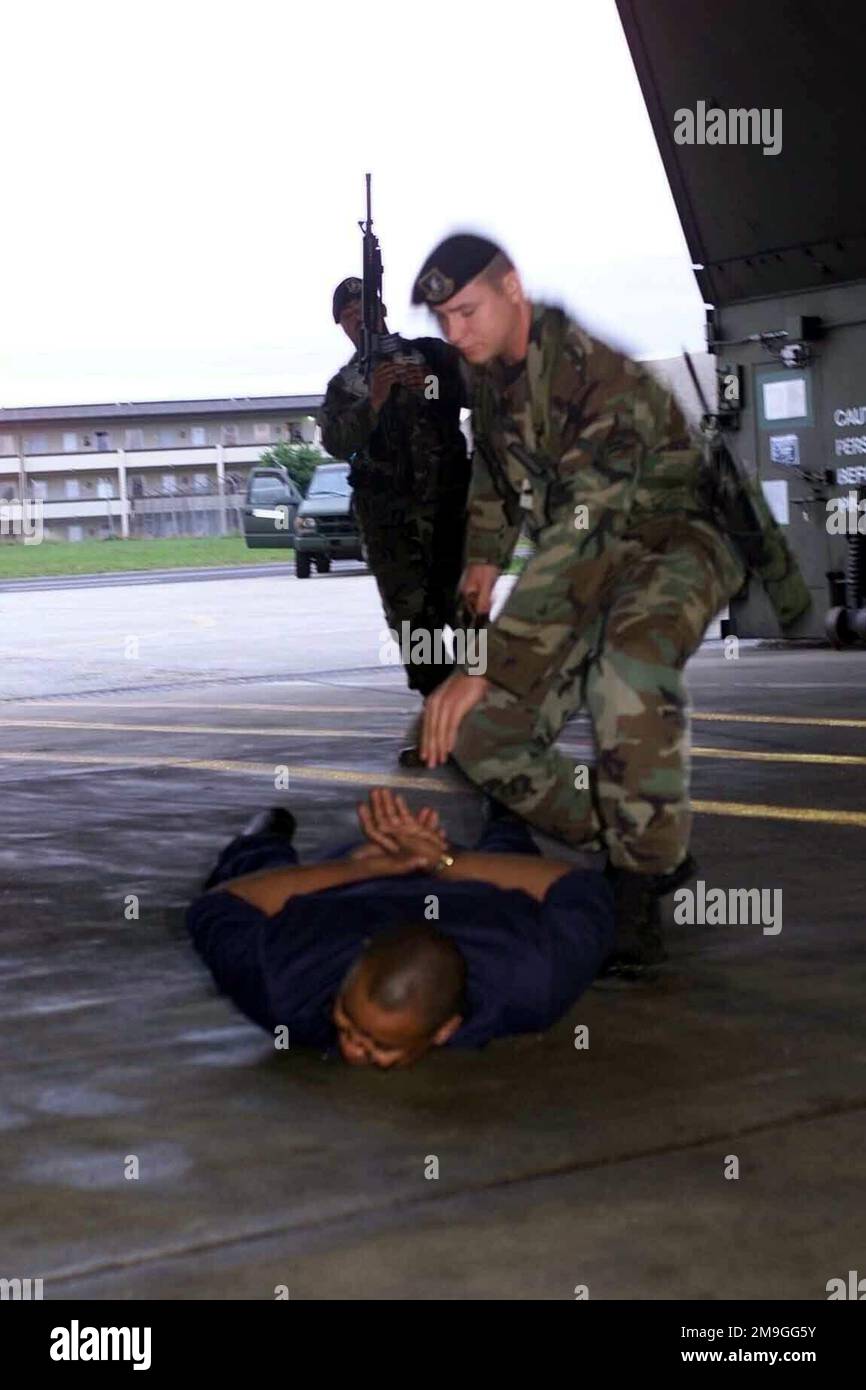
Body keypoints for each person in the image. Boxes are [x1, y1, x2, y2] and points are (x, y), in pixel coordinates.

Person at [410, 235, 811, 978]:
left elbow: (574, 539)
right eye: (444, 321)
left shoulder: (599, 378)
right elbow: (497, 474)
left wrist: (485, 661)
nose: (455, 334)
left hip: (677, 541)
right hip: (591, 556)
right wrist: (484, 558)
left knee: (626, 669)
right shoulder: (492, 375)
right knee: (478, 733)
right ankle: (650, 845)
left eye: (466, 312)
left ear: (513, 289)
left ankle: (634, 888)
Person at [186, 789, 614, 1068]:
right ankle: (265, 832)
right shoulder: (283, 981)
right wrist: (363, 868)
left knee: (511, 858)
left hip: (472, 891)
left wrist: (447, 863)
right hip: (353, 881)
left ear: (446, 1028)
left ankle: (504, 816)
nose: (354, 1050)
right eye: (346, 1021)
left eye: (379, 1046)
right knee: (255, 866)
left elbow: (577, 886)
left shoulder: (534, 980)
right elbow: (223, 902)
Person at [319, 278, 472, 759]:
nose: (358, 321)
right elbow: (337, 442)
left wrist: (424, 384)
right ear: (340, 325)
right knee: (412, 622)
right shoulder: (345, 387)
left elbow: (481, 388)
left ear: (381, 309)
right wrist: (375, 401)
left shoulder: (427, 355)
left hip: (448, 507)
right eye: (348, 316)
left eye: (364, 310)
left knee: (468, 615)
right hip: (390, 523)